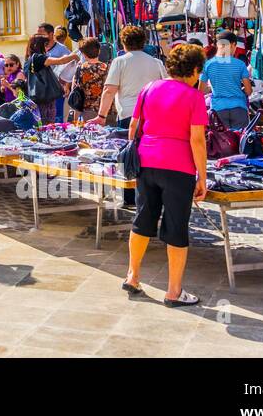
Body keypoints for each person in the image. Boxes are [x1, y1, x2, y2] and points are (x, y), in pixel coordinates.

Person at [124, 43, 208, 307]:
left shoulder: (149, 89)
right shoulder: (194, 97)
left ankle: (133, 275)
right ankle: (173, 291)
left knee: (142, 219)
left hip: (147, 163)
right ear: (194, 70)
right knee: (176, 226)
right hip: (179, 167)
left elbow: (133, 127)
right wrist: (202, 177)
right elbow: (197, 140)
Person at [91, 25, 168, 130]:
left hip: (128, 114)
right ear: (143, 42)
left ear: (123, 43)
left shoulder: (119, 61)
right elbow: (166, 88)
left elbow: (109, 91)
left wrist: (102, 116)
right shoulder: (157, 62)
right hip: (153, 114)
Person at [199, 32, 253, 131]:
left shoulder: (208, 65)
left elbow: (201, 90)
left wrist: (214, 89)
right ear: (232, 45)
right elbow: (249, 91)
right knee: (240, 141)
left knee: (222, 142)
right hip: (238, 107)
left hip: (218, 109)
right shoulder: (240, 64)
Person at [25, 34, 76, 120]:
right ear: (40, 45)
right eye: (45, 45)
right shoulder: (38, 58)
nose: (47, 48)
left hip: (37, 98)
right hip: (45, 98)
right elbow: (60, 61)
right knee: (48, 122)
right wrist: (74, 55)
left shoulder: (29, 59)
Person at [72, 37, 108, 122]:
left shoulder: (81, 68)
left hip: (89, 110)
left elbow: (76, 92)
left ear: (84, 54)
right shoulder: (107, 67)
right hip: (106, 109)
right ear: (99, 51)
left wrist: (75, 119)